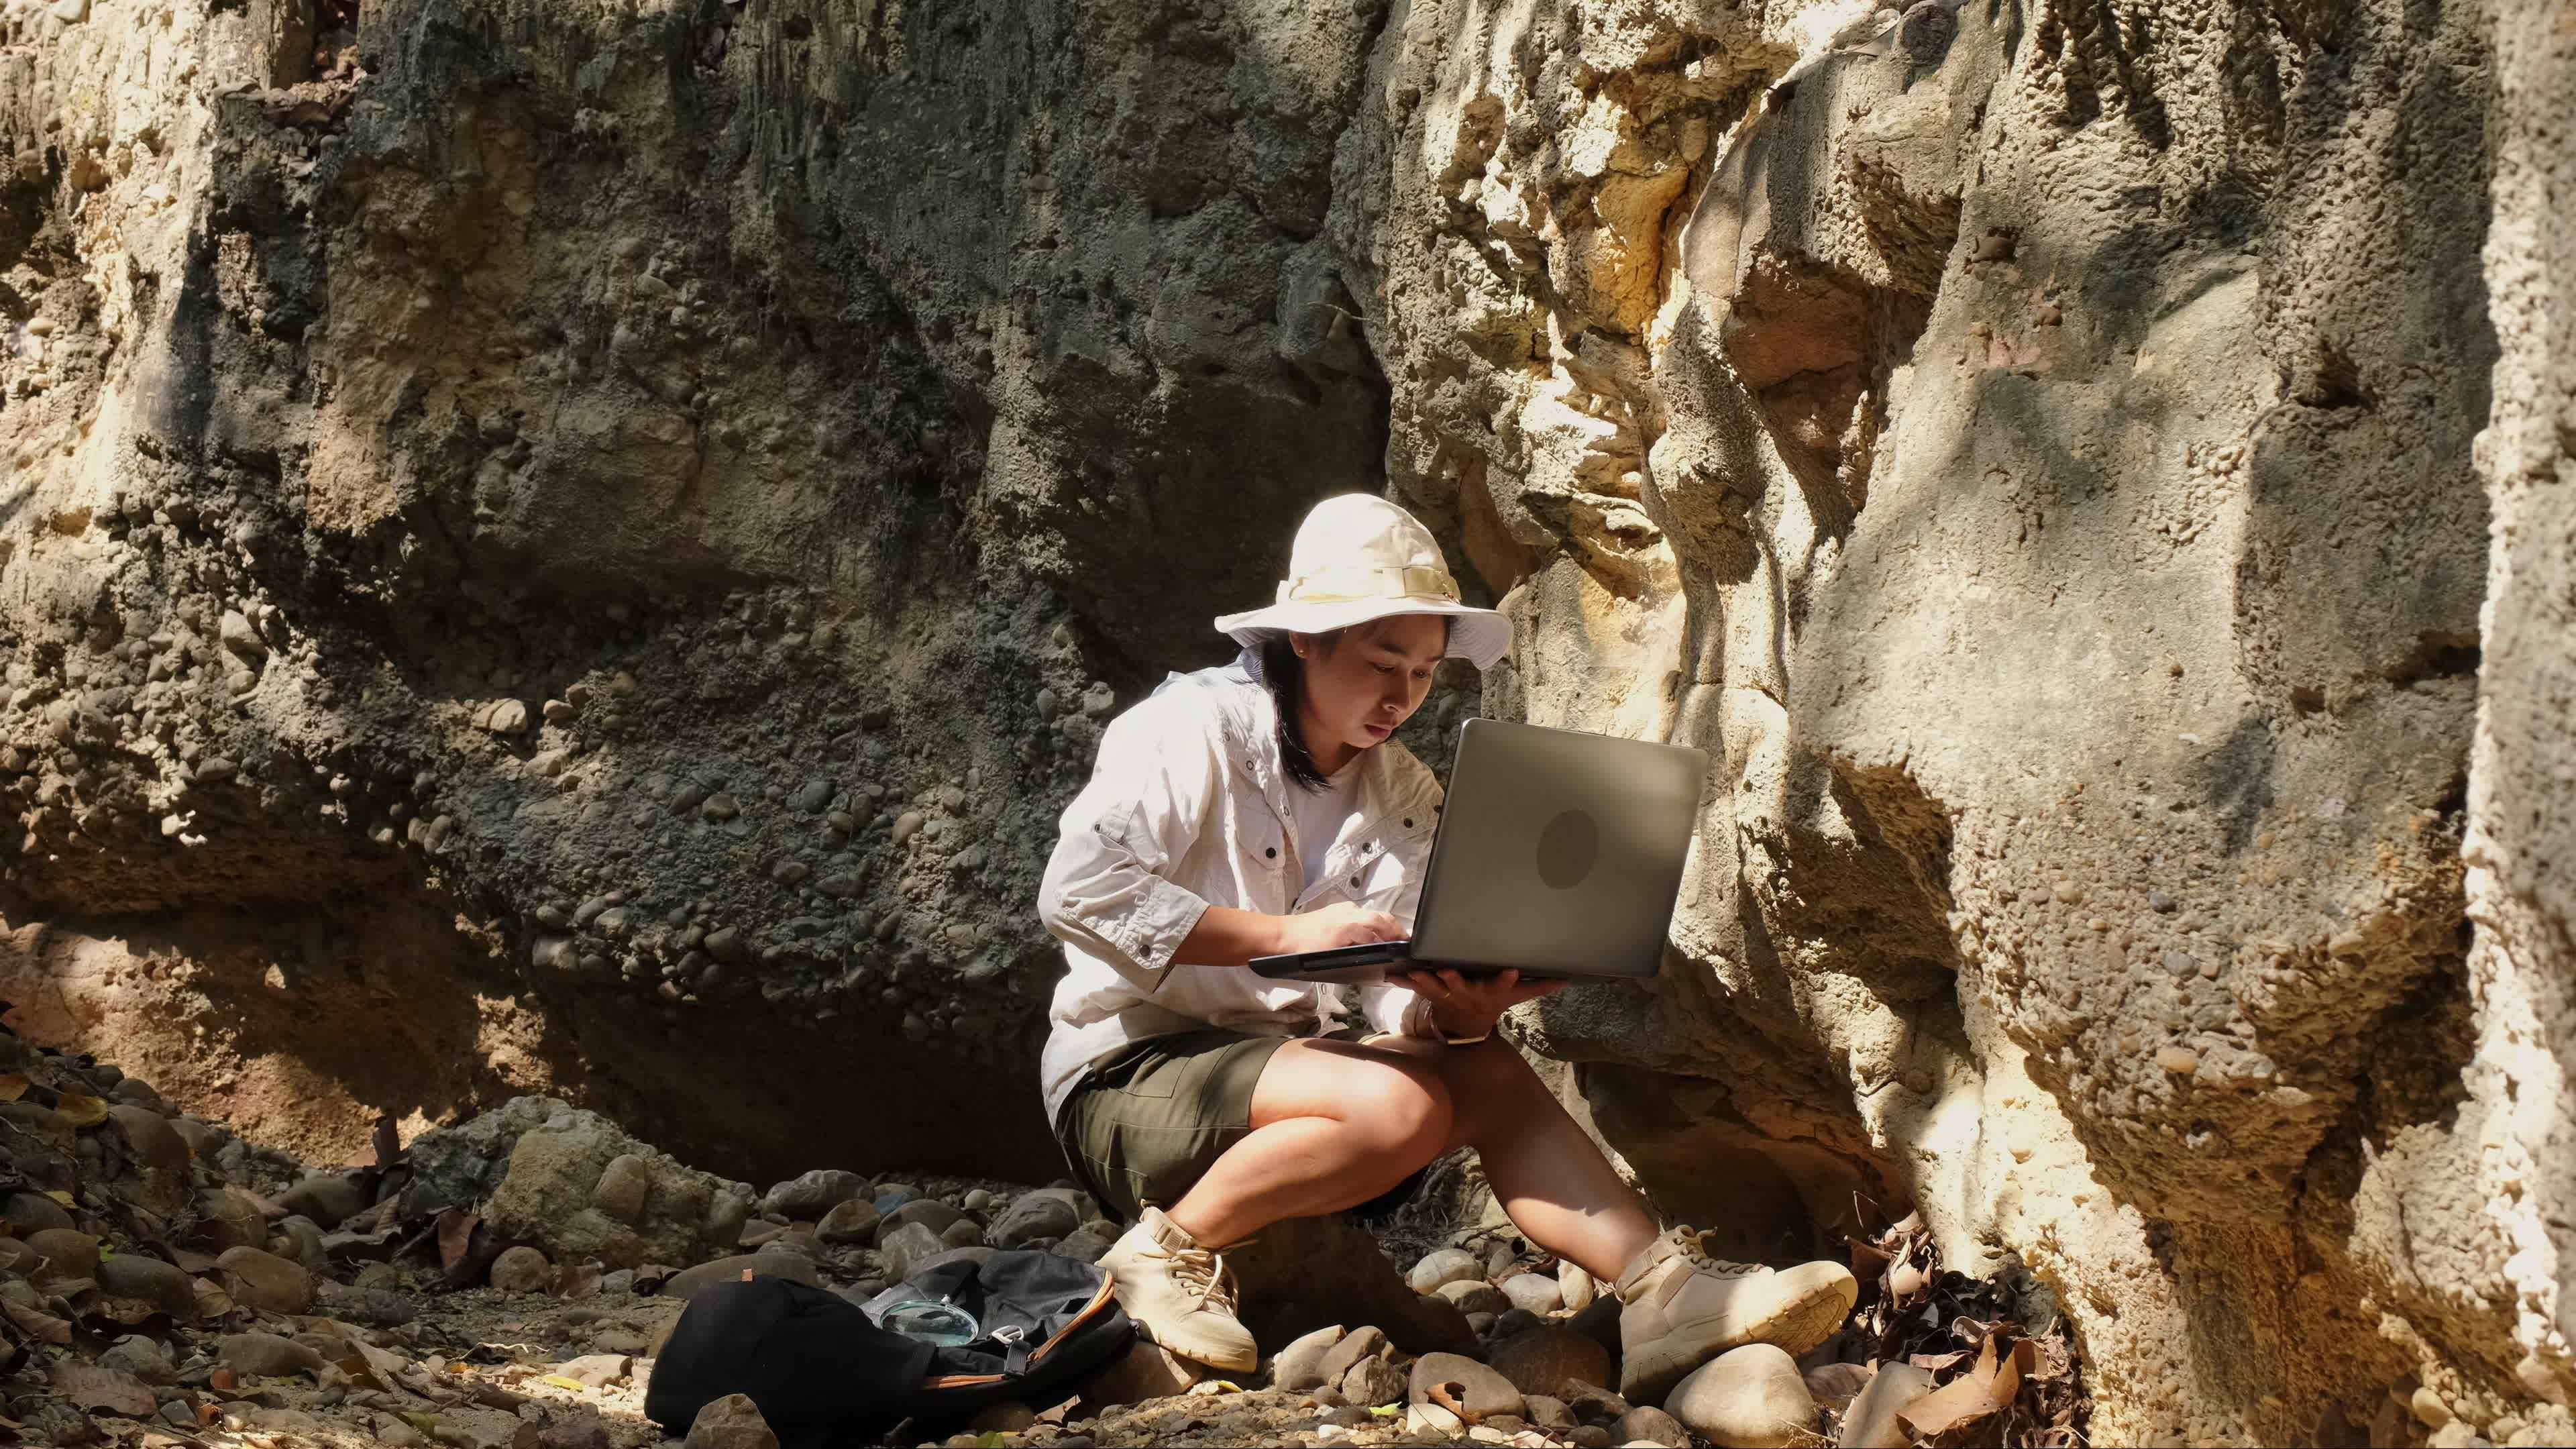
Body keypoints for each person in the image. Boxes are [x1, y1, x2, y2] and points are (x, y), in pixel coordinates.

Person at [1035, 494, 1855, 1395]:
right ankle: (1163, 1253)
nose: (1401, 696)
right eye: (1383, 662)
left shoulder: (1403, 788)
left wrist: (1454, 1012)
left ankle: (1663, 1296)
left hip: (1287, 1087)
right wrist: (1284, 934)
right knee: (1399, 1109)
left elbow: (1391, 986)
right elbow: (1080, 891)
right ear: (1303, 640)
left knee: (1484, 1071)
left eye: (1425, 673)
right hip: (1128, 1075)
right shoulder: (1192, 727)